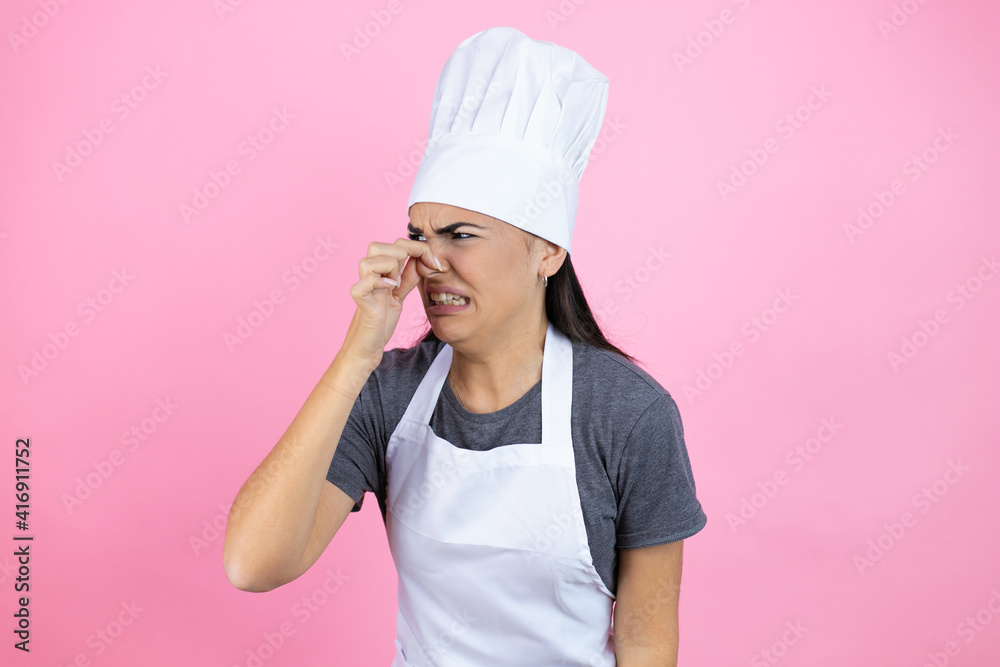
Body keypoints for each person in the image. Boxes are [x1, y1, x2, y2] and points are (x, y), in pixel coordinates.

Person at [224, 26, 707, 666]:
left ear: (548, 250)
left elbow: (647, 640)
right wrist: (355, 356)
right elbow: (253, 564)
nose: (431, 262)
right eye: (420, 235)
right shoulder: (387, 393)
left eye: (461, 235)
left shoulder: (627, 412)